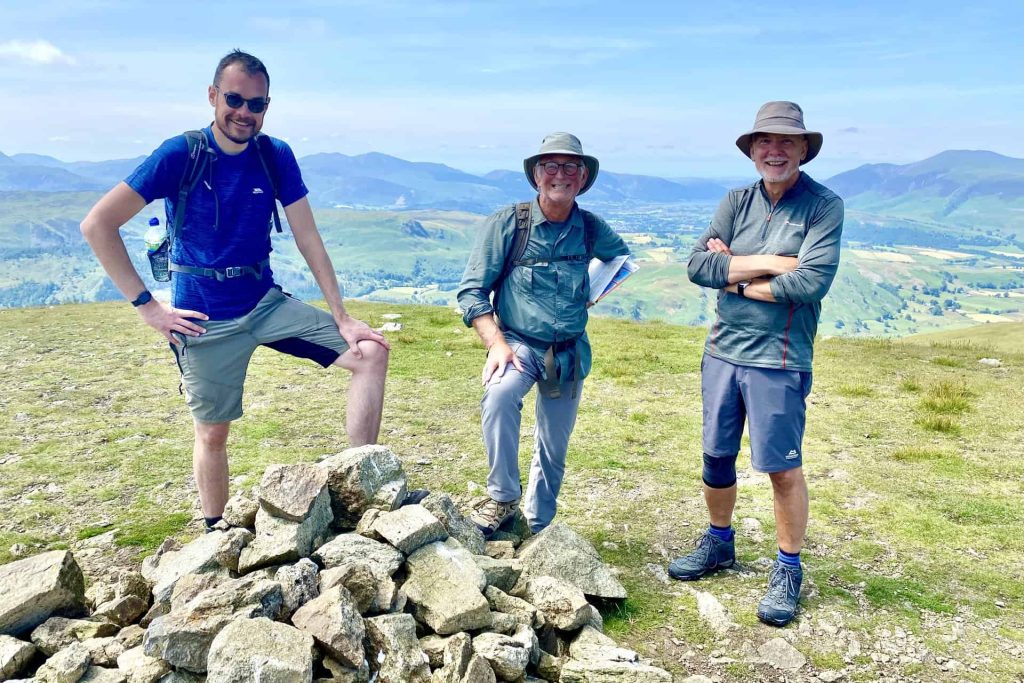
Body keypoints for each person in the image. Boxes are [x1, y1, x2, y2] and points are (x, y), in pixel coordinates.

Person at [81, 50, 389, 531]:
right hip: (202, 319)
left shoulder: (274, 155)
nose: (244, 112)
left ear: (268, 106)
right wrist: (148, 308)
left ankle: (359, 483)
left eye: (257, 103)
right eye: (234, 99)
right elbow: (98, 224)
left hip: (263, 302)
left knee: (368, 352)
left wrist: (342, 316)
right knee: (212, 433)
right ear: (212, 96)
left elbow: (307, 236)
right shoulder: (180, 153)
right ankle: (215, 533)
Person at [668, 101, 843, 626]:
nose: (775, 150)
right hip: (723, 349)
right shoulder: (735, 200)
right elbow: (699, 265)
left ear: (804, 150)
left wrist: (733, 269)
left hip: (779, 359)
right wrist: (767, 266)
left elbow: (811, 282)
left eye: (787, 142)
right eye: (765, 141)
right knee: (715, 457)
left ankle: (788, 568)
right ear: (752, 150)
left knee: (782, 467)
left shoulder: (823, 206)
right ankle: (720, 542)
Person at [457, 133, 630, 536]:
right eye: (550, 166)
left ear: (583, 177)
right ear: (537, 175)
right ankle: (502, 498)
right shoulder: (509, 223)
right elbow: (471, 290)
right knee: (499, 397)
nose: (561, 175)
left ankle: (540, 525)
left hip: (568, 353)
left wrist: (591, 292)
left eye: (571, 167)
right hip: (517, 344)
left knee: (554, 445)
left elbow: (619, 258)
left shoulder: (589, 227)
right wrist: (495, 342)